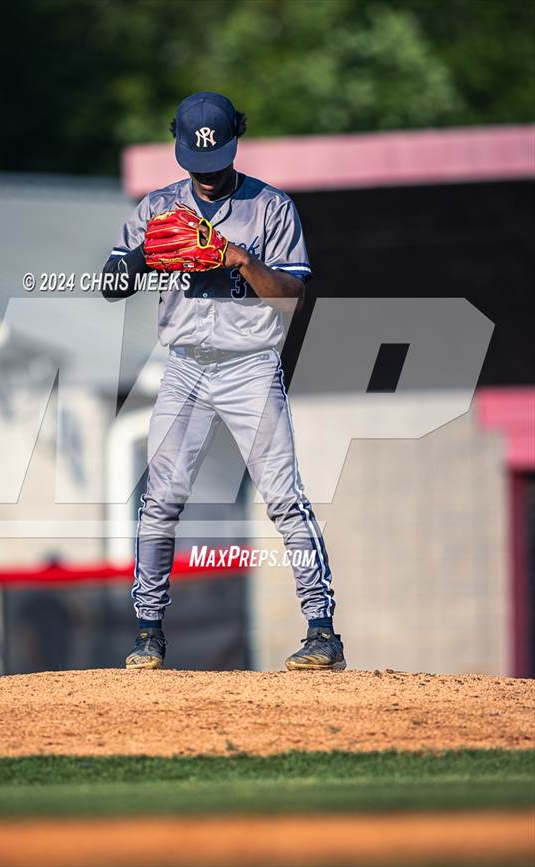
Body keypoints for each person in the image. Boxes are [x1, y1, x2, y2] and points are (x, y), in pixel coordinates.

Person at [102, 91, 345, 672]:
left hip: (249, 367)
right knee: (158, 502)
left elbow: (292, 297)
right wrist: (139, 260)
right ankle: (149, 635)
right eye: (196, 164)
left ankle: (322, 632)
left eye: (215, 162)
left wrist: (239, 259)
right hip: (184, 366)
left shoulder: (270, 207)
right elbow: (110, 284)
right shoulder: (160, 206)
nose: (206, 176)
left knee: (284, 498)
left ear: (234, 142)